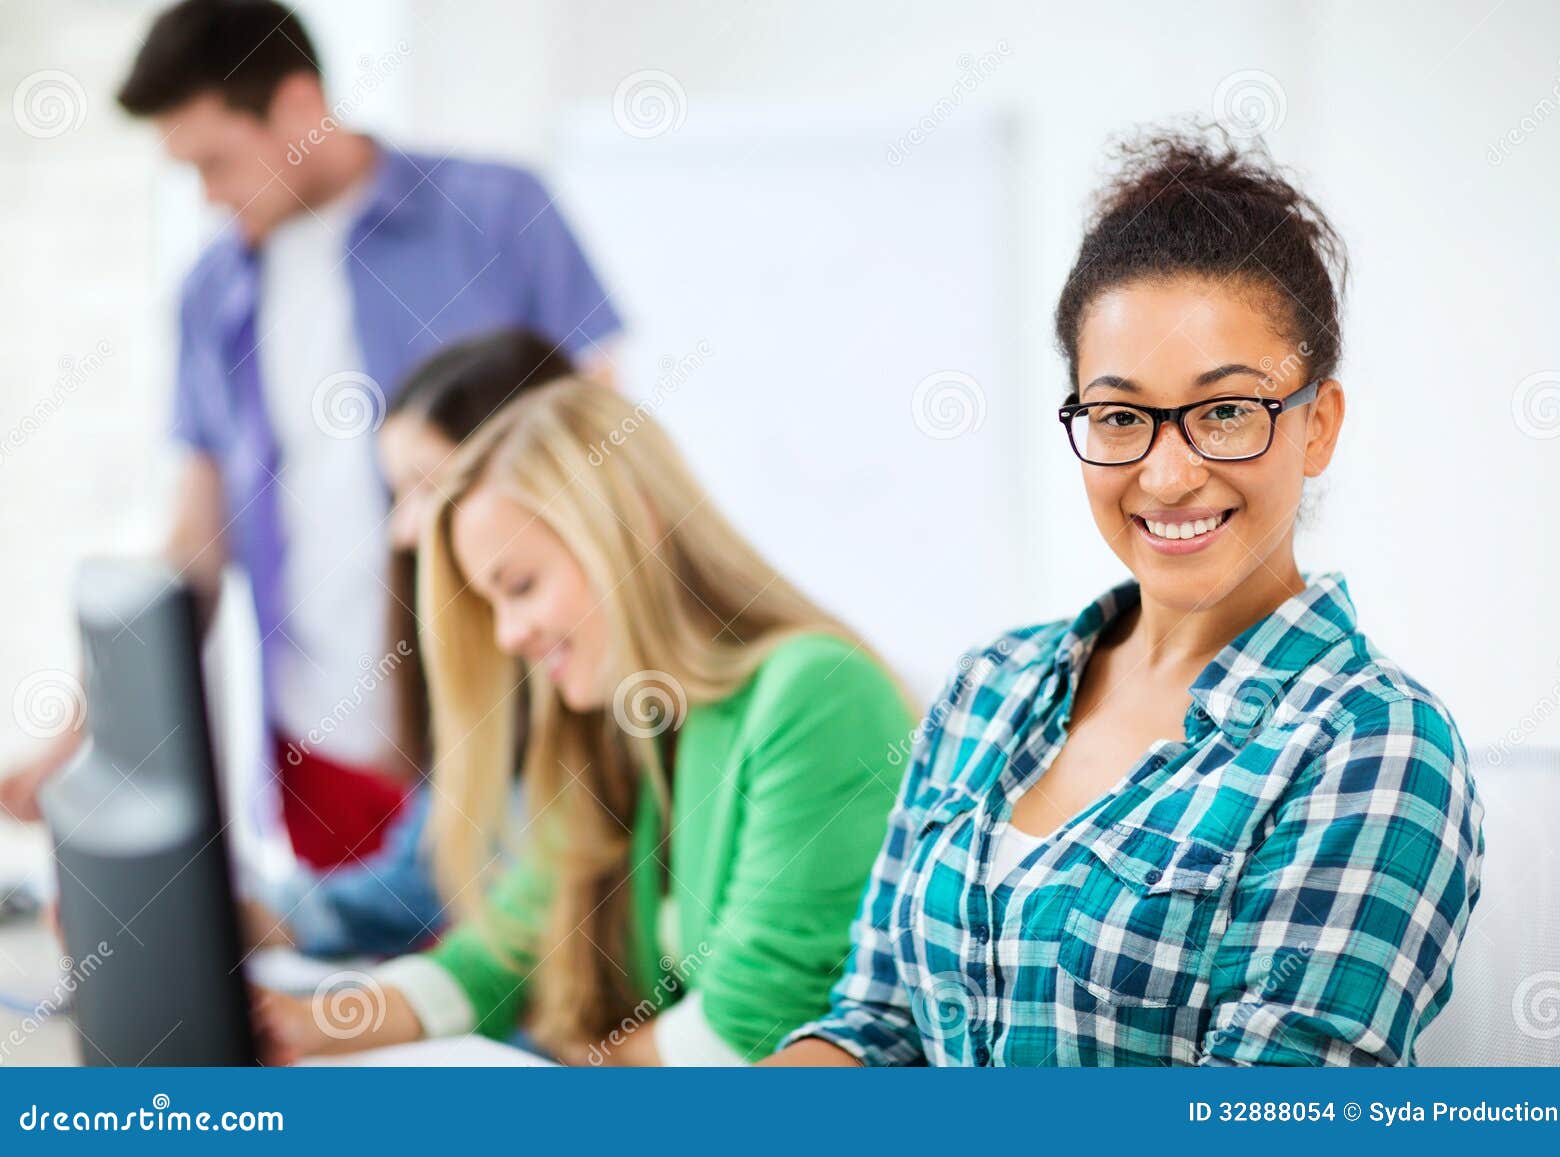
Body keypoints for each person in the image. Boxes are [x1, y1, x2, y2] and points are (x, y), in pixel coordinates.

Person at [767, 128, 1486, 1067]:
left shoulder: (1371, 746)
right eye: (1120, 415)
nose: (1169, 470)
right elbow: (876, 1026)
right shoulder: (990, 684)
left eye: (1227, 409)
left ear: (1319, 426)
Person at [0, 0, 622, 873]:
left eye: (215, 161)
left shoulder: (497, 210)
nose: (208, 196)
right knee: (336, 988)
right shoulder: (212, 291)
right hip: (319, 749)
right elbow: (194, 545)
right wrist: (79, 731)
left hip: (508, 724)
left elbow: (608, 451)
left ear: (296, 107)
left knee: (515, 985)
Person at [254, 381, 915, 1065]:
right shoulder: (615, 728)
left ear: (632, 524)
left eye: (521, 586)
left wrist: (587, 1060)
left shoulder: (816, 692)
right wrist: (307, 1023)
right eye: (492, 603)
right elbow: (499, 951)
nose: (509, 635)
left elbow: (750, 1026)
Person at [241, 329, 575, 958]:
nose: (403, 531)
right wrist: (242, 918)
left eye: (427, 486)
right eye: (397, 495)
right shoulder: (495, 672)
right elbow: (415, 886)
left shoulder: (598, 684)